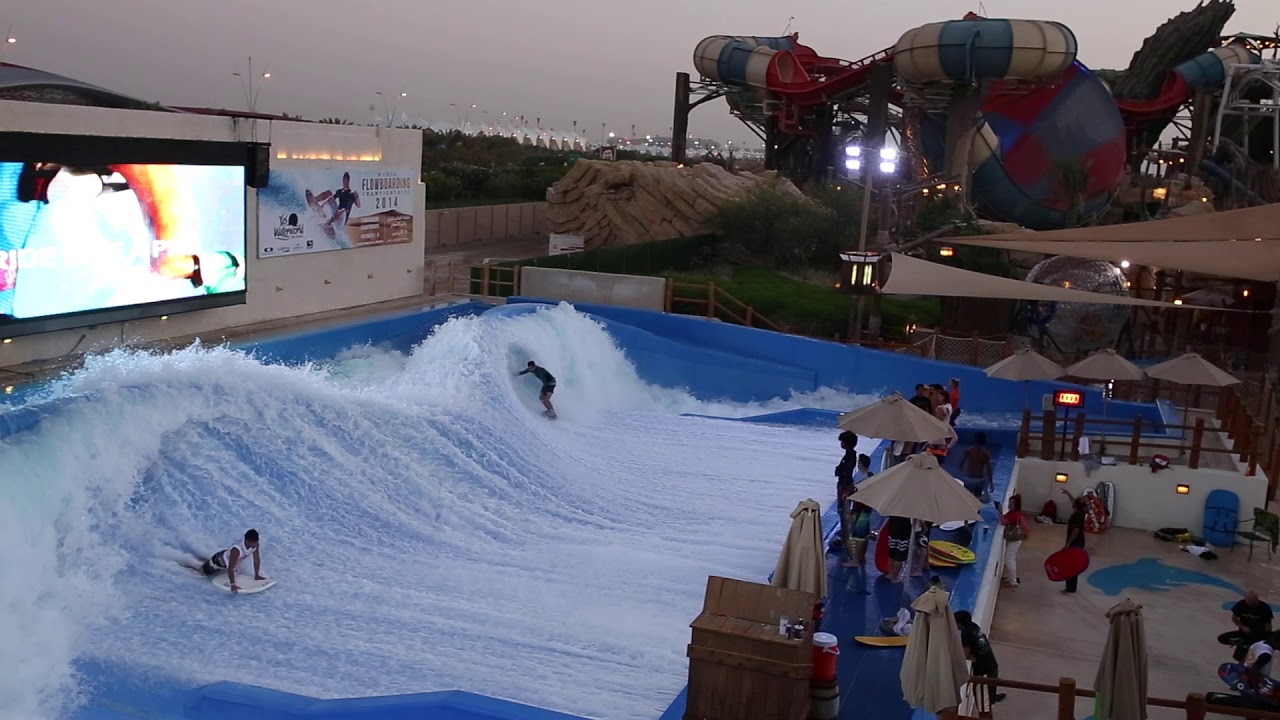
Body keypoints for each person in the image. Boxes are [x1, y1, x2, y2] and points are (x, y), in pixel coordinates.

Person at [955, 610, 1006, 713]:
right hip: (992, 666)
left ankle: (989, 699)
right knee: (987, 697)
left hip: (983, 673)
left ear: (959, 623)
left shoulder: (966, 633)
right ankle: (991, 698)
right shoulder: (974, 627)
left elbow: (964, 654)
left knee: (984, 709)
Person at [194, 529, 264, 594]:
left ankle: (202, 559)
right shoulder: (236, 550)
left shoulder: (256, 545)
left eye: (256, 542)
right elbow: (231, 568)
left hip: (228, 556)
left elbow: (256, 559)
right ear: (247, 541)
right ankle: (185, 565)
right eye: (253, 543)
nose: (255, 545)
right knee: (200, 573)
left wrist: (256, 575)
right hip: (219, 562)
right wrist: (233, 584)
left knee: (208, 563)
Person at [1219, 591, 1275, 659]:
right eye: (1251, 605)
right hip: (1244, 633)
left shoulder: (1265, 607)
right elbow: (1234, 618)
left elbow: (1268, 624)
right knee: (1238, 656)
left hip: (1259, 634)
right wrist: (1242, 627)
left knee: (1254, 656)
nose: (1253, 606)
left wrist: (1267, 637)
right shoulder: (1241, 605)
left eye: (1254, 604)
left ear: (1257, 599)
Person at [843, 454, 875, 568]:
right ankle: (861, 556)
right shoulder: (871, 475)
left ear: (860, 464)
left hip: (861, 509)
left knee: (858, 536)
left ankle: (855, 560)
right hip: (867, 509)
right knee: (864, 535)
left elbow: (860, 497)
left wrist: (853, 511)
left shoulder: (864, 479)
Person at [833, 431, 859, 553]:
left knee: (844, 512)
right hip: (844, 485)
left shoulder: (850, 456)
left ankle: (846, 539)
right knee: (842, 512)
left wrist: (846, 490)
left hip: (844, 487)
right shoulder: (849, 455)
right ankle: (845, 536)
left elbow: (845, 472)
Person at [1060, 489, 1087, 594]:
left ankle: (1070, 588)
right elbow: (1074, 502)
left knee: (1070, 565)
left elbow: (1075, 531)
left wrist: (1068, 544)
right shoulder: (1081, 512)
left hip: (1076, 543)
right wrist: (1068, 493)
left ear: (1076, 506)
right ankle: (1071, 587)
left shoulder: (1077, 516)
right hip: (1079, 542)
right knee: (1072, 565)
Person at [999, 494, 1029, 587]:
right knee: (1011, 558)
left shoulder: (1014, 514)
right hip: (1015, 539)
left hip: (1014, 539)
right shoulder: (1013, 513)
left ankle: (1013, 581)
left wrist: (999, 511)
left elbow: (1003, 521)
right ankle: (1011, 578)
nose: (1010, 504)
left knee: (1009, 559)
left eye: (1012, 503)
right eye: (1010, 502)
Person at [960, 432, 994, 498]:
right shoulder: (986, 454)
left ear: (975, 440)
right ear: (985, 441)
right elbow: (989, 470)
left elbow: (961, 465)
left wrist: (963, 473)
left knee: (967, 499)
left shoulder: (968, 451)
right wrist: (991, 483)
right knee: (977, 500)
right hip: (978, 479)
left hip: (968, 479)